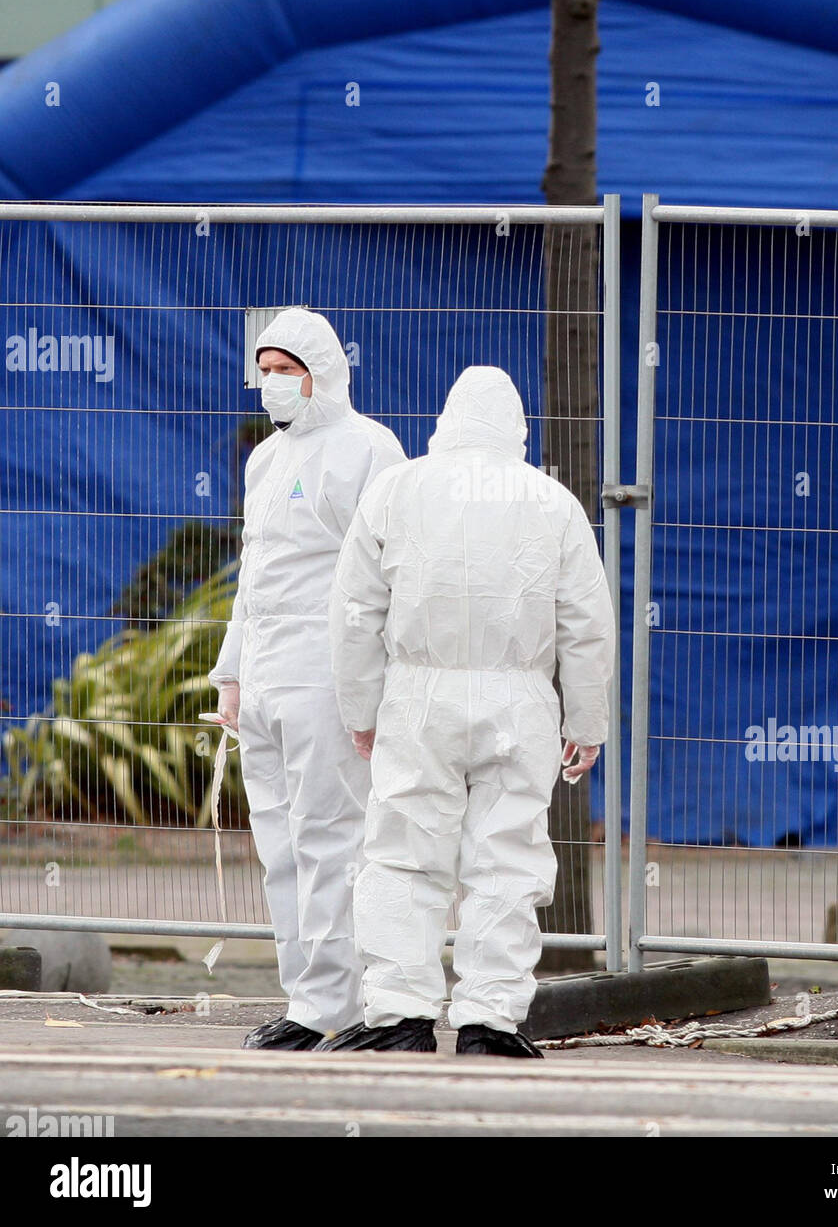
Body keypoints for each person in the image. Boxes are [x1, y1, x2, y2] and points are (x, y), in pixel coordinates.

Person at [318, 365, 614, 1057]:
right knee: (507, 859)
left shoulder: (395, 491)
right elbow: (585, 624)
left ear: (445, 418)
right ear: (517, 427)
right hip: (521, 701)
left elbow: (355, 612)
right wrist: (586, 725)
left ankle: (399, 1014)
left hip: (419, 698)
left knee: (401, 855)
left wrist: (360, 708)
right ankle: (490, 1020)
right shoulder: (552, 501)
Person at [209, 307, 405, 1051]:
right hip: (265, 676)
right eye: (263, 370)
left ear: (322, 372)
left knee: (332, 836)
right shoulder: (266, 459)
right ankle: (306, 996)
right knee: (281, 842)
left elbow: (388, 570)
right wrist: (231, 676)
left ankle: (344, 1003)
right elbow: (256, 574)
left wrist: (369, 681)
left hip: (328, 672)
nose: (271, 384)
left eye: (285, 370)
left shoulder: (369, 450)